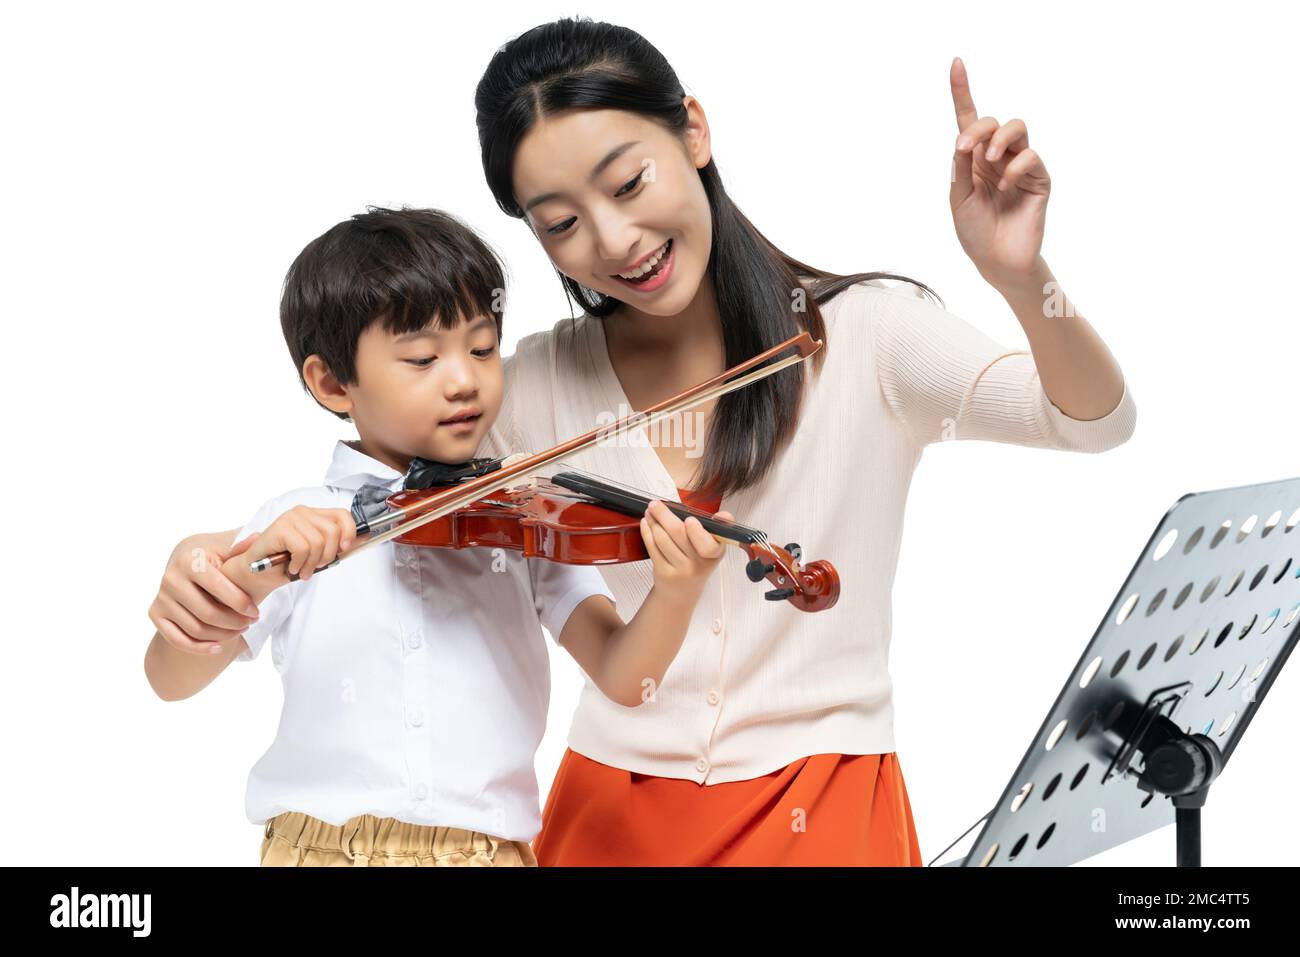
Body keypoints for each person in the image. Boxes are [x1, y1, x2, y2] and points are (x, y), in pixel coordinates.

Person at [151, 19, 1137, 865]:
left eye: (629, 181)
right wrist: (209, 565)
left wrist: (1022, 278)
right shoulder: (526, 378)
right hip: (606, 816)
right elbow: (384, 485)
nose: (614, 240)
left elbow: (1091, 420)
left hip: (825, 807)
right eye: (562, 222)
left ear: (693, 131)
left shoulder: (869, 333)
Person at [143, 206, 730, 866]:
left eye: (482, 348)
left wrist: (677, 591)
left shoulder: (521, 519)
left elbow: (625, 677)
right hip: (320, 849)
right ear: (333, 383)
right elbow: (170, 679)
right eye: (422, 357)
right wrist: (256, 571)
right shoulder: (295, 524)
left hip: (485, 852)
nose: (464, 378)